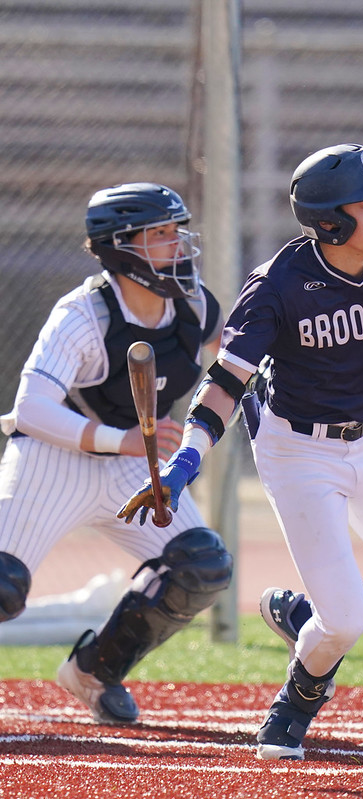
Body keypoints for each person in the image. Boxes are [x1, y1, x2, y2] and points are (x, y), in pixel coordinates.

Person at [118, 144, 363, 759]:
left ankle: (312, 614)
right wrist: (186, 461)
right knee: (347, 621)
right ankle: (296, 702)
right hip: (298, 451)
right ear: (329, 221)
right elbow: (226, 383)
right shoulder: (279, 284)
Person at [0, 182, 233, 724]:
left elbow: (234, 356)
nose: (177, 244)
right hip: (53, 458)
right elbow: (31, 408)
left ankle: (93, 673)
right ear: (121, 246)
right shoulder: (84, 314)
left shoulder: (194, 303)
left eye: (178, 231)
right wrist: (119, 440)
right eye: (160, 234)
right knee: (3, 586)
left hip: (133, 464)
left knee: (201, 566)